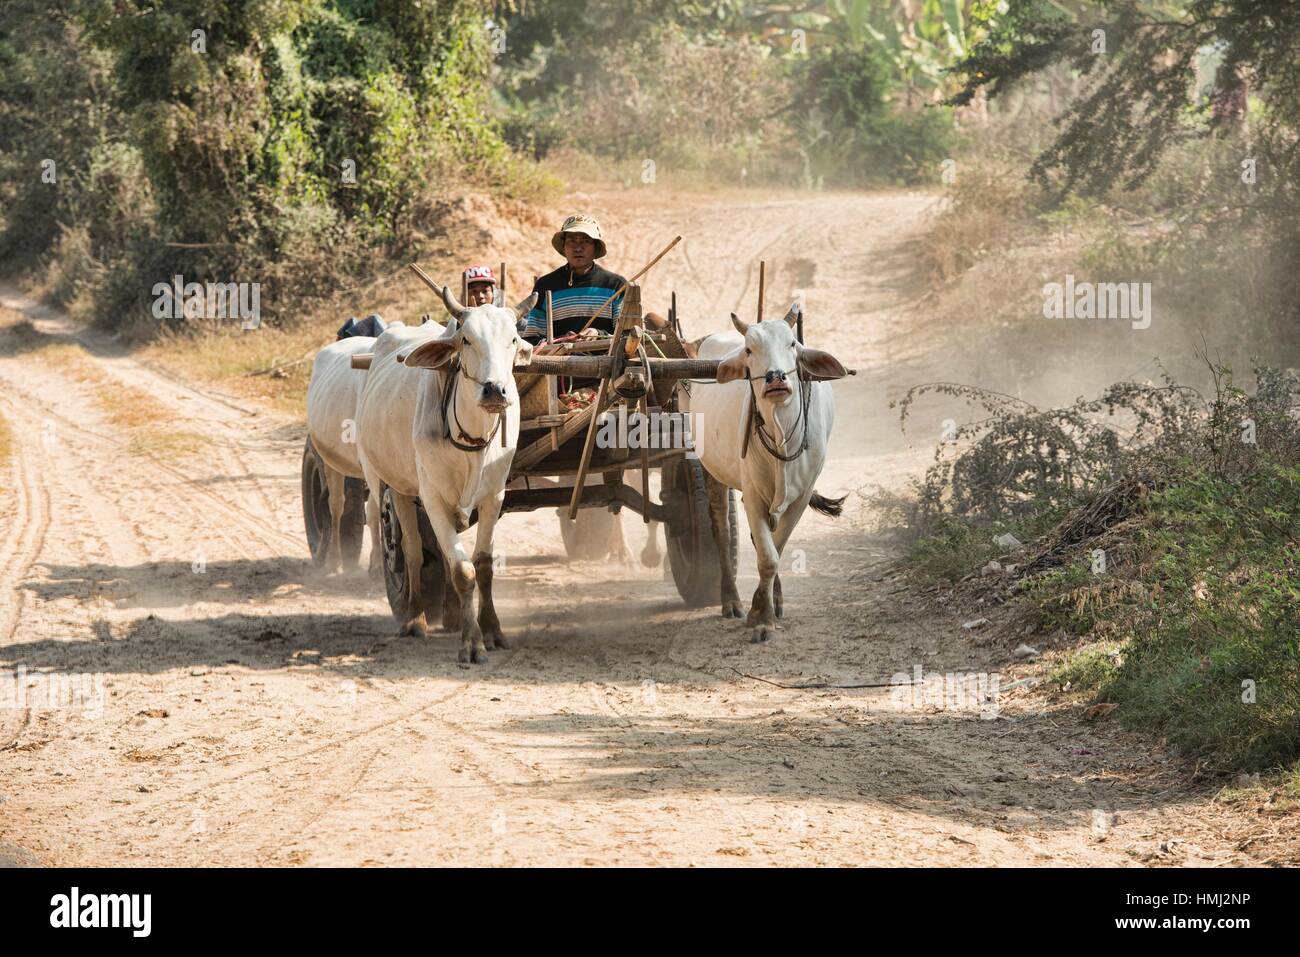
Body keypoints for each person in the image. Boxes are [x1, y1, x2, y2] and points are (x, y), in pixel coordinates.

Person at [522, 215, 628, 343]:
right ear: (564, 247)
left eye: (586, 241)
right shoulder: (545, 285)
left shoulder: (616, 285)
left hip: (608, 361)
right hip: (555, 361)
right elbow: (531, 339)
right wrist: (559, 341)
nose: (578, 248)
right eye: (571, 241)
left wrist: (598, 335)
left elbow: (626, 338)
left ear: (596, 248)